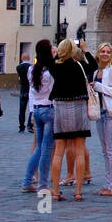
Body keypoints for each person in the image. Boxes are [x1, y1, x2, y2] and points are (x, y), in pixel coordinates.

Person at [50, 39, 92, 200]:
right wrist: (84, 50)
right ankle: (78, 192)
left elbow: (53, 60)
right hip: (79, 107)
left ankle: (55, 191)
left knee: (59, 152)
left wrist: (59, 53)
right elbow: (93, 67)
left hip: (61, 108)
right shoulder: (79, 66)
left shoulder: (55, 67)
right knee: (80, 150)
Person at [21, 39, 55, 191]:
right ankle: (43, 184)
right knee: (47, 149)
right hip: (49, 109)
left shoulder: (32, 70)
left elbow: (33, 92)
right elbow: (54, 91)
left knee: (39, 148)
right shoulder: (50, 71)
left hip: (37, 110)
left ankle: (27, 181)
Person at [92, 41, 112, 196]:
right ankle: (107, 184)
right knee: (105, 151)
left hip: (110, 113)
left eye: (108, 52)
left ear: (111, 55)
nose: (105, 54)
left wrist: (99, 88)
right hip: (100, 113)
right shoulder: (96, 71)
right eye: (102, 51)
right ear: (98, 54)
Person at [16, 57, 33, 133]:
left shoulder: (18, 67)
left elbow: (19, 78)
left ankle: (21, 126)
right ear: (28, 58)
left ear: (22, 58)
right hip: (30, 89)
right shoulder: (31, 67)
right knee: (31, 108)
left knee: (22, 109)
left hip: (23, 89)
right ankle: (30, 125)